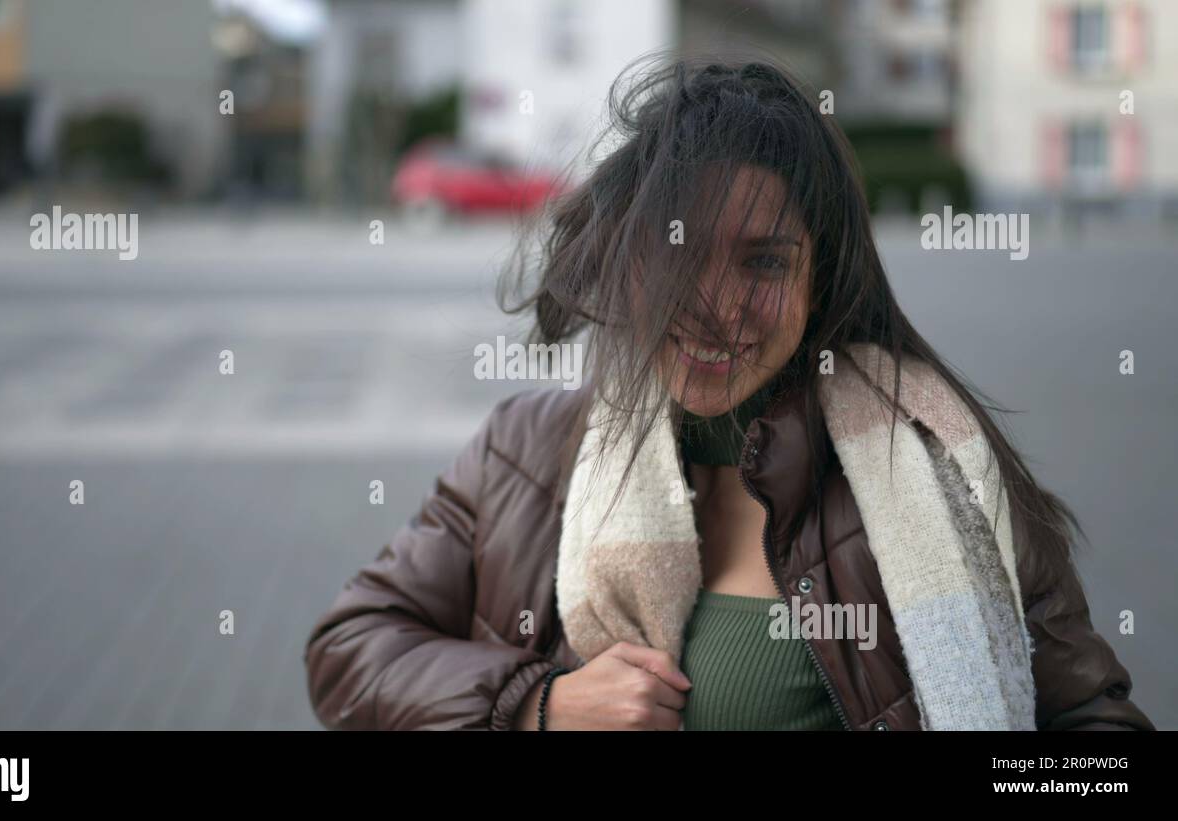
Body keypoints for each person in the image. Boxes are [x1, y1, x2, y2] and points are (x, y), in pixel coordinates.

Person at [304, 58, 1154, 731]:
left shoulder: (941, 463)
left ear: (820, 279)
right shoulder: (523, 450)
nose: (714, 308)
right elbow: (348, 649)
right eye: (676, 253)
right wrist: (538, 707)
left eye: (763, 261)